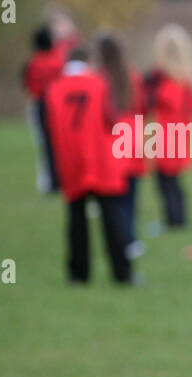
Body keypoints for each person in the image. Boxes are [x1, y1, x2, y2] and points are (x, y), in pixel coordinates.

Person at [43, 45, 132, 284]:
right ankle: (122, 273)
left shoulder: (54, 89)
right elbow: (111, 119)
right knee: (112, 218)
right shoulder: (99, 84)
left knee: (76, 220)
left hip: (71, 161)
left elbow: (50, 129)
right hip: (100, 159)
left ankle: (78, 274)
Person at [143, 24, 192, 229]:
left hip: (166, 137)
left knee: (166, 182)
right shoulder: (186, 79)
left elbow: (154, 103)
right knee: (173, 181)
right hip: (181, 135)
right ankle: (177, 219)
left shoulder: (163, 81)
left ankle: (174, 221)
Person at [96, 32, 146, 258]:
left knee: (115, 196)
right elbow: (142, 105)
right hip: (132, 135)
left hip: (112, 139)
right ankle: (131, 237)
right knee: (131, 192)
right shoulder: (132, 75)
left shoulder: (99, 79)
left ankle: (123, 237)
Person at [22, 25, 64, 194]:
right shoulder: (59, 61)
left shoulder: (32, 63)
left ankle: (51, 181)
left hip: (41, 105)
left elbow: (27, 85)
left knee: (45, 144)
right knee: (60, 142)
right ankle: (61, 178)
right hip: (58, 106)